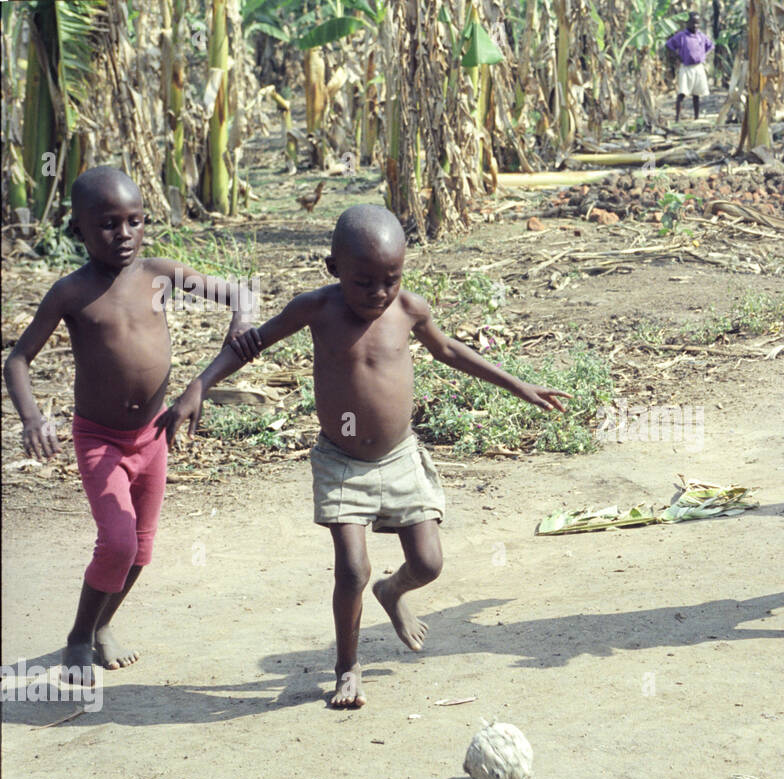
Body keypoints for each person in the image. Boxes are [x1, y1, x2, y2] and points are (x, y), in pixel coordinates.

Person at [163, 205, 570, 708]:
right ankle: (347, 666)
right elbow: (251, 344)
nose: (379, 293)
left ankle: (393, 592)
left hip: (399, 457)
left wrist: (517, 384)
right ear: (333, 269)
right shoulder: (314, 309)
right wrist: (198, 386)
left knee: (428, 563)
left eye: (390, 279)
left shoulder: (409, 310)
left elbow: (450, 351)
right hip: (341, 461)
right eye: (364, 282)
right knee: (352, 570)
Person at [2, 166, 259, 684]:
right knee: (117, 542)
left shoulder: (157, 274)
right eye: (107, 224)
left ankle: (102, 627)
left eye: (134, 221)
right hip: (100, 439)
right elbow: (17, 360)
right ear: (78, 228)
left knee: (141, 548)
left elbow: (240, 293)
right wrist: (32, 418)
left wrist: (242, 320)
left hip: (155, 434)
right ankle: (78, 636)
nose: (123, 235)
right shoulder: (70, 293)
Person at [665, 12, 714, 122]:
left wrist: (703, 55)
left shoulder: (701, 36)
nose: (695, 26)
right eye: (692, 23)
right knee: (682, 93)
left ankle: (696, 117)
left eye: (697, 23)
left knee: (696, 95)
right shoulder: (682, 36)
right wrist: (677, 56)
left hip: (698, 67)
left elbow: (710, 46)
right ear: (687, 23)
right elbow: (669, 45)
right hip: (686, 68)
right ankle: (677, 118)